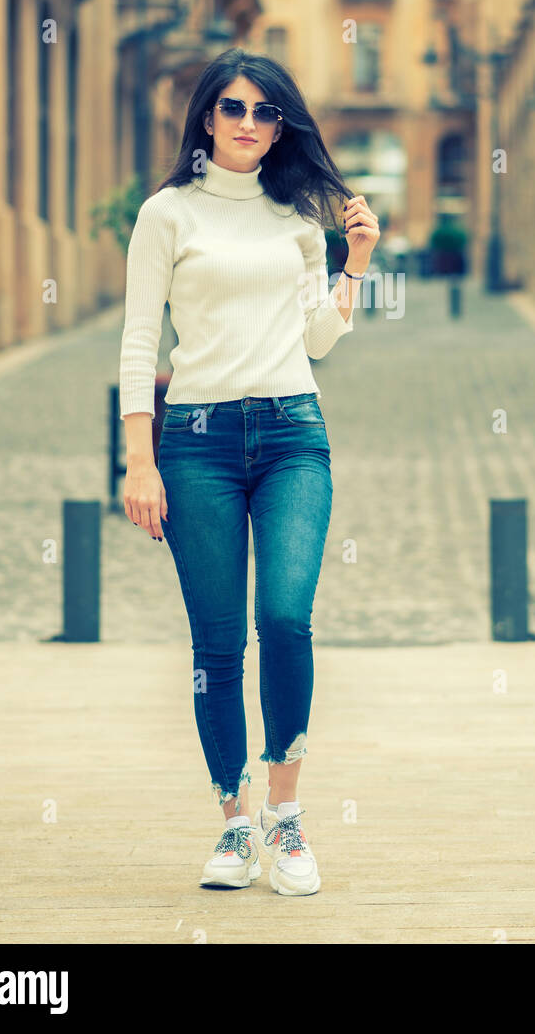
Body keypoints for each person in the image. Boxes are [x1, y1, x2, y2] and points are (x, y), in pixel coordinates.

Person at [118, 48, 379, 897]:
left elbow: (315, 340)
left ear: (281, 128)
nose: (248, 124)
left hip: (293, 433)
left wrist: (354, 267)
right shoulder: (167, 214)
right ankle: (233, 824)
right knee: (218, 643)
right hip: (194, 442)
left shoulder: (298, 220)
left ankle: (285, 812)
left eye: (266, 113)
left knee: (286, 615)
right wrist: (139, 460)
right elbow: (135, 342)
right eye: (232, 108)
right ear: (205, 118)